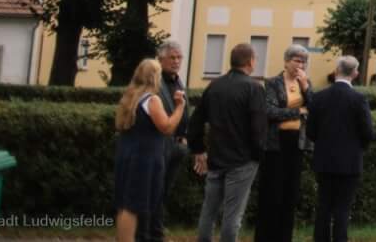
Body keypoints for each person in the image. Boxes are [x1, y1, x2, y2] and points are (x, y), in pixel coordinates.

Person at [188, 43, 274, 242]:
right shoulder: (254, 88)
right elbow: (258, 127)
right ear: (250, 61)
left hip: (216, 157)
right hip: (242, 160)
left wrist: (198, 148)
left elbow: (196, 120)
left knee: (208, 211)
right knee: (233, 216)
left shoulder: (214, 85)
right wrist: (259, 155)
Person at [115, 57, 188, 242]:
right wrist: (180, 107)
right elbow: (167, 127)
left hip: (127, 154)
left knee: (125, 204)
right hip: (145, 159)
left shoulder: (130, 96)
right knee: (135, 204)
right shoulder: (152, 100)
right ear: (155, 77)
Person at [308, 55, 374, 242]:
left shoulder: (319, 97)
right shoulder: (358, 98)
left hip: (324, 161)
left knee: (323, 206)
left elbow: (311, 132)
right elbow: (368, 132)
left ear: (336, 71)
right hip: (350, 162)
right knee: (343, 208)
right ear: (355, 73)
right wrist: (358, 148)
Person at [255, 45, 312, 242]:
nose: (300, 64)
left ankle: (284, 237)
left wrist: (306, 88)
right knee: (272, 193)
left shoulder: (305, 83)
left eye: (303, 61)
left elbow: (315, 109)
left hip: (297, 143)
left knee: (290, 193)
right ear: (286, 61)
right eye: (297, 60)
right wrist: (298, 111)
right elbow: (270, 111)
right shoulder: (272, 82)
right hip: (275, 143)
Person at [140, 41, 191, 242]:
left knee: (164, 193)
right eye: (172, 57)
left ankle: (155, 230)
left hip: (177, 145)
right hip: (159, 143)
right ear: (160, 59)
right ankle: (152, 233)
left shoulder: (177, 80)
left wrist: (184, 138)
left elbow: (184, 110)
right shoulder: (154, 82)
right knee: (154, 192)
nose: (177, 61)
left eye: (179, 57)